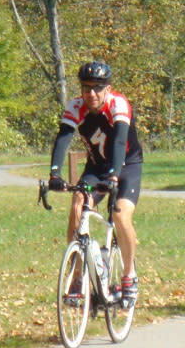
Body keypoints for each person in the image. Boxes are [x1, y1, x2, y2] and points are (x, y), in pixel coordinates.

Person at [48, 61, 143, 305]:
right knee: (78, 203)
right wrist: (55, 174)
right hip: (97, 167)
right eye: (86, 87)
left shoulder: (118, 104)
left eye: (98, 88)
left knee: (121, 217)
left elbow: (121, 142)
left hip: (127, 166)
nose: (91, 93)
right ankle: (78, 276)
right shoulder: (77, 107)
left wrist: (114, 176)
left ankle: (129, 275)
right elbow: (63, 139)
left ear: (107, 89)